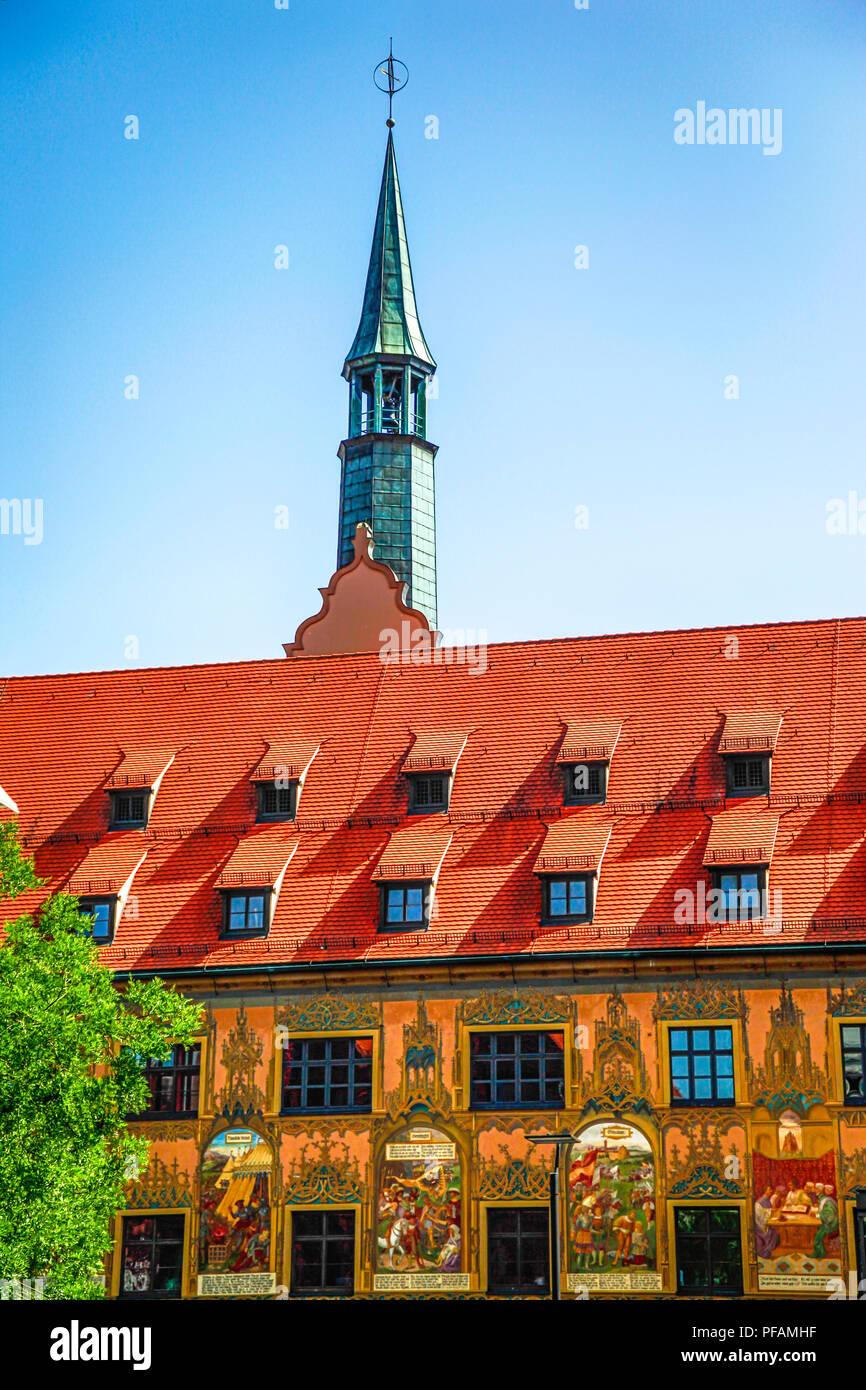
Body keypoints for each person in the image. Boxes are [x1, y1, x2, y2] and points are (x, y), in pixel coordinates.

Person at [813, 1185, 839, 1258]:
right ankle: (821, 1251)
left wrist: (818, 1216)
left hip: (831, 1224)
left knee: (818, 1238)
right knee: (817, 1232)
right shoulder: (825, 1199)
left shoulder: (828, 1201)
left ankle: (819, 1254)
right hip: (827, 1222)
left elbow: (830, 1216)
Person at [754, 1187, 780, 1259]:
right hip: (760, 1226)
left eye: (771, 1190)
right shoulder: (759, 1202)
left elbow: (768, 1210)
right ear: (764, 1191)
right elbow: (759, 1217)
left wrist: (771, 1210)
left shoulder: (767, 1199)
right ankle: (766, 1251)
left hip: (766, 1223)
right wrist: (770, 1211)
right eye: (769, 1190)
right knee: (774, 1232)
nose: (771, 1191)